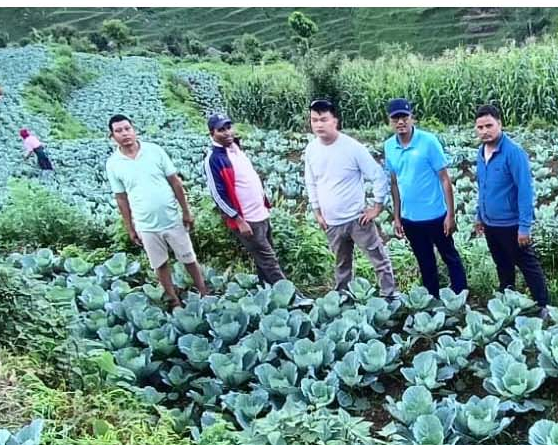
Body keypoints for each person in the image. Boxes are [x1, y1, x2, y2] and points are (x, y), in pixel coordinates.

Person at [105, 113, 210, 307]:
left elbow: (175, 182)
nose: (125, 134)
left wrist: (186, 211)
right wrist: (130, 227)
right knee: (159, 264)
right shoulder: (113, 164)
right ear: (112, 137)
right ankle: (174, 301)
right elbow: (121, 198)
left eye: (127, 129)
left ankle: (204, 291)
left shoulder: (155, 151)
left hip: (171, 218)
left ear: (134, 130)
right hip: (145, 224)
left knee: (188, 257)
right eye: (118, 131)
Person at [302, 98, 398, 300]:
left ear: (335, 120)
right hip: (331, 221)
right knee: (341, 263)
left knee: (378, 259)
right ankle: (342, 298)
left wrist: (377, 207)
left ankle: (389, 296)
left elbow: (378, 175)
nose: (318, 124)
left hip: (357, 219)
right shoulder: (311, 149)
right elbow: (311, 181)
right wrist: (317, 211)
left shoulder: (352, 147)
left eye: (323, 119)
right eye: (314, 120)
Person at [472, 103, 549, 318]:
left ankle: (543, 305)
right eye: (480, 127)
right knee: (502, 264)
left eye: (489, 125)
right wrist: (479, 215)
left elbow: (525, 191)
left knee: (527, 264)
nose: (484, 131)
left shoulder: (513, 153)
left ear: (500, 124)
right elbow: (483, 186)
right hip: (490, 223)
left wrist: (524, 227)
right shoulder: (481, 152)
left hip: (511, 224)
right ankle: (508, 299)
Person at [383, 98, 466, 298]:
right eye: (395, 118)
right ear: (390, 121)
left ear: (412, 118)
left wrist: (451, 215)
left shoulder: (428, 142)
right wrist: (396, 217)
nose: (400, 122)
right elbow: (394, 183)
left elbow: (445, 179)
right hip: (410, 219)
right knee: (425, 261)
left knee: (450, 257)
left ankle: (460, 296)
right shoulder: (388, 146)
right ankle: (433, 299)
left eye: (404, 117)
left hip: (436, 215)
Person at [203, 113, 288, 286]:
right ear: (212, 133)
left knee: (264, 259)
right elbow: (218, 195)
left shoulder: (235, 148)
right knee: (269, 260)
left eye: (229, 127)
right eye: (221, 130)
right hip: (247, 219)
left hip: (261, 214)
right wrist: (238, 220)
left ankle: (267, 291)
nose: (227, 133)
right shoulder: (213, 159)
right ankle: (292, 296)